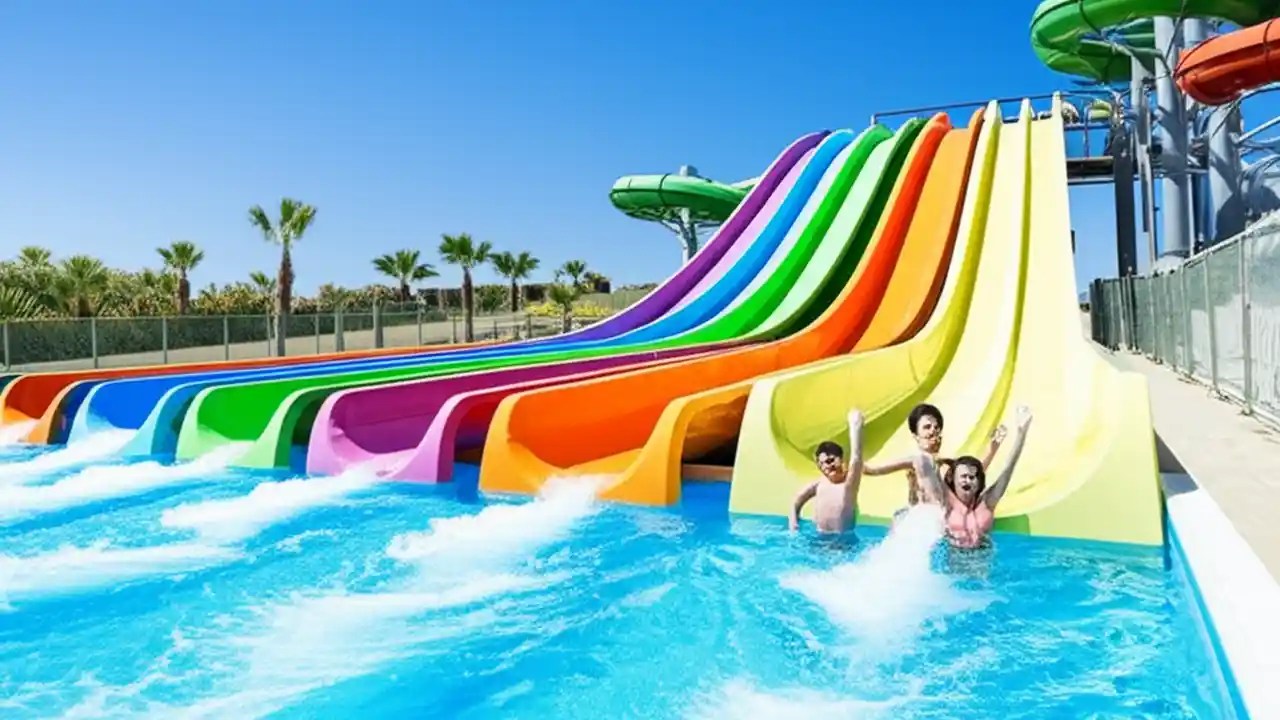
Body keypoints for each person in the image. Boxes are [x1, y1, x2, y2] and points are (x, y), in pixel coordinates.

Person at [912, 405, 1033, 548]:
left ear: (978, 482)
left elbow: (1008, 469)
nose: (968, 480)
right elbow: (928, 468)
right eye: (963, 476)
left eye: (972, 477)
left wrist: (1021, 433)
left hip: (981, 566)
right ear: (953, 480)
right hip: (952, 564)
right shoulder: (947, 502)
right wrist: (928, 442)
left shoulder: (987, 503)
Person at [862, 402, 1006, 509]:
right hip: (922, 526)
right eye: (927, 427)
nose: (933, 431)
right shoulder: (916, 461)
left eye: (936, 428)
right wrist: (858, 465)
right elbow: (874, 470)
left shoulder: (946, 464)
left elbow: (974, 472)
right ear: (916, 436)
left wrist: (993, 448)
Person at [789, 408, 864, 534]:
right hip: (819, 538)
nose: (828, 466)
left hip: (842, 542)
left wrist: (856, 427)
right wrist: (793, 522)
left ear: (842, 459)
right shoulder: (819, 484)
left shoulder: (849, 484)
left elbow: (857, 459)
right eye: (823, 464)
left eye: (831, 460)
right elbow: (796, 501)